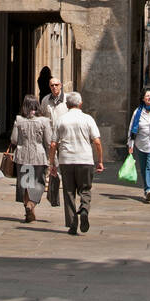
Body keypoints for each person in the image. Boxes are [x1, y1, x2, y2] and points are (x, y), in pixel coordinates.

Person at [48, 92, 104, 235]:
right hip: (85, 159)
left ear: (67, 105)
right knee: (85, 189)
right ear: (80, 104)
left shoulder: (61, 120)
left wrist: (52, 163)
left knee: (69, 192)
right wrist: (100, 161)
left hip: (66, 160)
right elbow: (97, 141)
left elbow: (53, 144)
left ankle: (73, 224)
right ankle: (84, 209)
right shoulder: (88, 119)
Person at [10, 95, 53, 223]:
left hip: (22, 156)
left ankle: (28, 209)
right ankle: (31, 205)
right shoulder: (44, 121)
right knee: (38, 184)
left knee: (25, 184)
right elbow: (48, 141)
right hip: (38, 156)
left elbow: (14, 139)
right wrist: (52, 158)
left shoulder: (19, 120)